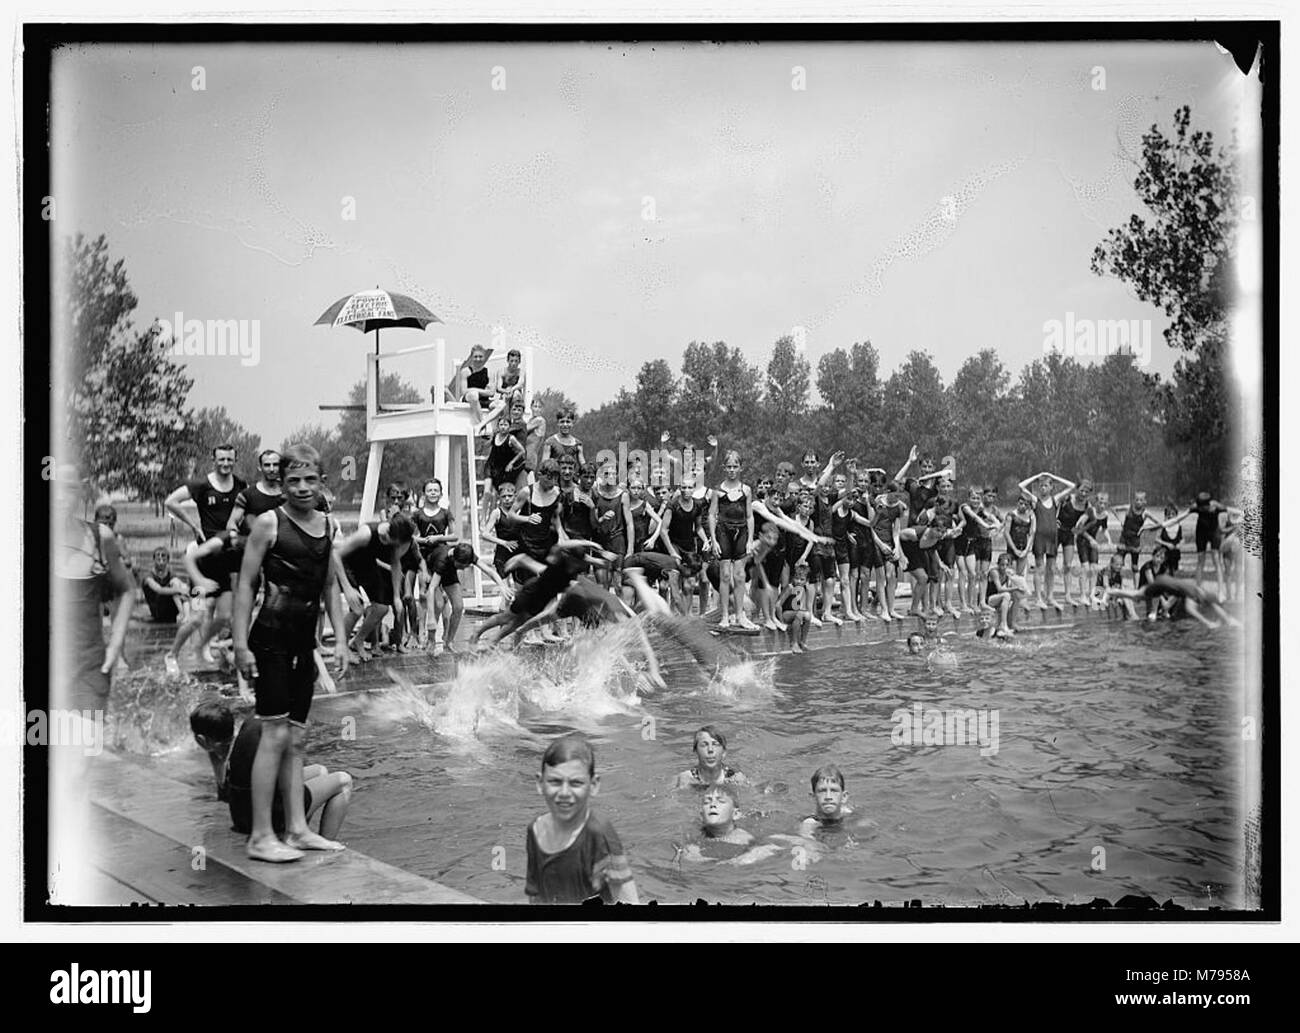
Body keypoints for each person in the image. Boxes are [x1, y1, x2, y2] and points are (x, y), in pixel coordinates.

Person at [232, 444, 350, 862]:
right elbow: (246, 586)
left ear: (322, 483)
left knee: (297, 739)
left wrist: (341, 640)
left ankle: (298, 829)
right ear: (281, 484)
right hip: (271, 640)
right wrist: (241, 644)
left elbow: (329, 587)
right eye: (293, 481)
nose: (302, 488)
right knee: (275, 734)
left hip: (303, 643)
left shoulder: (329, 525)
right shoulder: (268, 523)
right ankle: (262, 835)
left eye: (310, 480)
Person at [189, 698, 353, 840]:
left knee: (320, 770)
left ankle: (298, 830)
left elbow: (225, 794)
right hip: (267, 816)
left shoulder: (220, 750)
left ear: (201, 739)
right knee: (344, 780)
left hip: (243, 815)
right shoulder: (258, 735)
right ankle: (315, 840)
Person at [526, 733, 638, 904]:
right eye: (555, 781)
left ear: (593, 785)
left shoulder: (598, 832)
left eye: (576, 783)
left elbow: (627, 900)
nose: (564, 793)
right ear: (540, 783)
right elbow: (535, 897)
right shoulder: (535, 830)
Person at [469, 538, 609, 648]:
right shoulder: (557, 560)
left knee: (517, 623)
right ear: (570, 557)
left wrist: (604, 554)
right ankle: (477, 633)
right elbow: (560, 545)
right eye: (575, 561)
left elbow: (601, 563)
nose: (577, 565)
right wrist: (587, 542)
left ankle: (494, 641)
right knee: (506, 617)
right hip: (532, 591)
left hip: (543, 600)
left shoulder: (578, 565)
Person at [335, 513, 415, 663]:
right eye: (394, 543)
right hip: (348, 565)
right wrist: (347, 588)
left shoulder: (401, 540)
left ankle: (358, 640)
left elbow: (395, 564)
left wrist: (397, 597)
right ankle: (343, 648)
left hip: (367, 565)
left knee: (382, 608)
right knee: (357, 608)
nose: (396, 547)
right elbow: (336, 555)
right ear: (388, 534)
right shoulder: (366, 534)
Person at [426, 542, 514, 653]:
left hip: (449, 572)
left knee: (458, 607)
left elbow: (489, 571)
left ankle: (449, 641)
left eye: (466, 566)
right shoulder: (442, 561)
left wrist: (502, 585)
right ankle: (431, 640)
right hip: (431, 572)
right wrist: (430, 618)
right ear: (453, 559)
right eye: (461, 566)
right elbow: (431, 589)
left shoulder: (468, 554)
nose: (463, 569)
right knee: (438, 604)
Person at [1018, 471, 1076, 611]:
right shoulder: (1035, 501)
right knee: (1039, 568)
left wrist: (1053, 476)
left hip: (1052, 538)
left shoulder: (1055, 500)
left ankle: (1049, 596)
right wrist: (1038, 476)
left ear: (1051, 487)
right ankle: (1038, 598)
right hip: (1040, 538)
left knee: (1051, 568)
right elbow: (1021, 486)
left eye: (1045, 486)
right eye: (1041, 486)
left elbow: (1072, 486)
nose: (1043, 488)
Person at [413, 478, 459, 649]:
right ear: (424, 493)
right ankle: (421, 634)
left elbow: (454, 537)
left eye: (436, 490)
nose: (432, 493)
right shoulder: (417, 514)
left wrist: (439, 537)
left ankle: (443, 635)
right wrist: (423, 540)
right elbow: (411, 537)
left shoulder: (446, 513)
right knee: (424, 596)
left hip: (442, 557)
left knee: (442, 600)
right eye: (429, 490)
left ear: (440, 493)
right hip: (424, 558)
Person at [1103, 575, 1241, 630]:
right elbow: (1191, 609)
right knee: (1136, 596)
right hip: (1161, 585)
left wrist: (1228, 619)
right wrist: (1207, 622)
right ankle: (1110, 592)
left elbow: (1212, 603)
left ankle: (1230, 620)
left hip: (1164, 581)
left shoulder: (1198, 590)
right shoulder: (1193, 594)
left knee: (1137, 596)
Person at [674, 725, 748, 789]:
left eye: (715, 744)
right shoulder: (686, 779)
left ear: (724, 752)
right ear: (696, 752)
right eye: (704, 745)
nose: (710, 749)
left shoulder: (736, 779)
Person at [775, 561, 814, 653]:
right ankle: (794, 643)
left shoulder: (804, 588)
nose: (798, 581)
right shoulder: (790, 587)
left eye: (802, 579)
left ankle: (802, 642)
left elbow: (802, 605)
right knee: (800, 613)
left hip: (795, 614)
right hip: (785, 614)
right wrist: (781, 622)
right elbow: (778, 605)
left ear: (806, 581)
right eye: (796, 578)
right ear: (793, 578)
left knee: (808, 615)